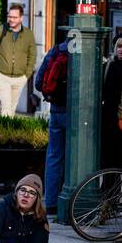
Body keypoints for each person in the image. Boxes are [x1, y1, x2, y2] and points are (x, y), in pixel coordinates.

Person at [35, 36, 71, 215]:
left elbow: (38, 81)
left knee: (54, 156)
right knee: (75, 158)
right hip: (77, 115)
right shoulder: (89, 52)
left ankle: (50, 202)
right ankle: (70, 202)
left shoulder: (56, 51)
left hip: (56, 110)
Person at [0, 3, 36, 117]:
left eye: (14, 17)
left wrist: (27, 74)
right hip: (2, 76)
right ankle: (5, 134)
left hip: (20, 77)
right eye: (10, 17)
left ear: (21, 18)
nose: (11, 20)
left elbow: (32, 54)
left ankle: (6, 132)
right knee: (6, 107)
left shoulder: (28, 34)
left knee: (12, 108)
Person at [101, 34, 122, 168]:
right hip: (109, 119)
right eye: (119, 46)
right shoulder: (109, 65)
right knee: (109, 159)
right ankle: (110, 188)